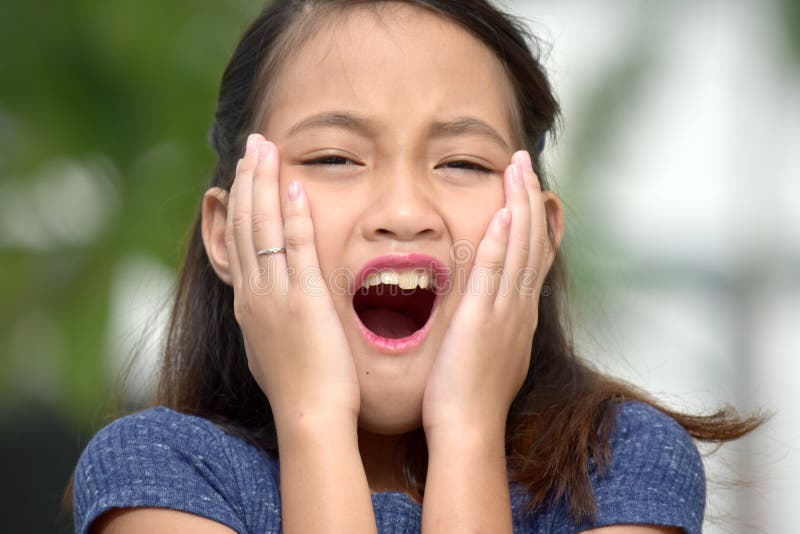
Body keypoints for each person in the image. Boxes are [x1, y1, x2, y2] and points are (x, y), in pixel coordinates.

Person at [70, 1, 761, 532]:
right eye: (335, 158)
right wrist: (314, 417)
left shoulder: (618, 468)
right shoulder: (159, 473)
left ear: (541, 235)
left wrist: (467, 427)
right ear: (227, 233)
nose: (403, 211)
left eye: (462, 162)